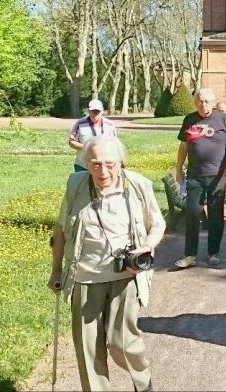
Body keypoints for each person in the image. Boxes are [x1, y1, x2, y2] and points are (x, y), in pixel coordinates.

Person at [49, 135, 166, 392]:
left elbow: (157, 223)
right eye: (96, 164)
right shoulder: (76, 185)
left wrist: (147, 246)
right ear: (86, 164)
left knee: (122, 344)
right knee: (88, 350)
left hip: (126, 276)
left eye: (110, 164)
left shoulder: (138, 185)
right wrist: (56, 270)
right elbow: (60, 229)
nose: (103, 171)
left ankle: (143, 383)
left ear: (121, 161)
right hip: (85, 276)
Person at [174, 88, 226, 269]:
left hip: (217, 176)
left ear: (213, 102)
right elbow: (183, 147)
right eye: (200, 101)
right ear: (195, 103)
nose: (203, 105)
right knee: (193, 213)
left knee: (216, 215)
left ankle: (213, 252)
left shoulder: (224, 119)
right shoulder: (190, 119)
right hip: (195, 176)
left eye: (207, 101)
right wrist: (179, 169)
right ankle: (190, 255)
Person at [69, 99, 118, 172]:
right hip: (82, 165)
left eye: (97, 111)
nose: (94, 114)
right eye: (92, 111)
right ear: (89, 111)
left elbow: (115, 145)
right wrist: (86, 147)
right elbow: (71, 142)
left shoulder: (109, 125)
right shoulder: (80, 123)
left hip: (102, 165)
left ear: (102, 111)